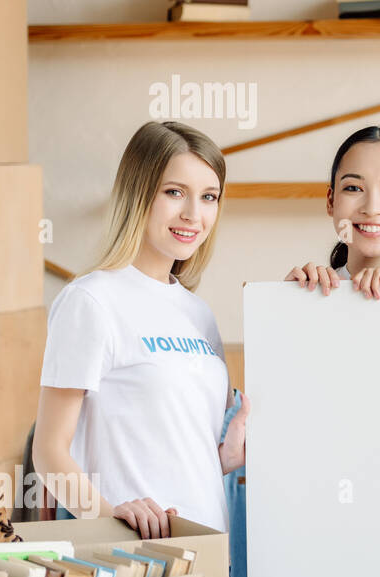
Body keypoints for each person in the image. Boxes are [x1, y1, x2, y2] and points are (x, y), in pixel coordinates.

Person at [33, 121, 248, 538]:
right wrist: (112, 522)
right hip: (135, 562)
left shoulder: (199, 314)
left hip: (206, 545)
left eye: (208, 197)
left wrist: (224, 455)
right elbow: (49, 453)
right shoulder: (91, 301)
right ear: (138, 192)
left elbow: (172, 451)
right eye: (174, 192)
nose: (193, 214)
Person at [284, 125, 380, 299]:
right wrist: (284, 305)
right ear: (331, 200)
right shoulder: (307, 293)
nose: (372, 209)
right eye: (354, 188)